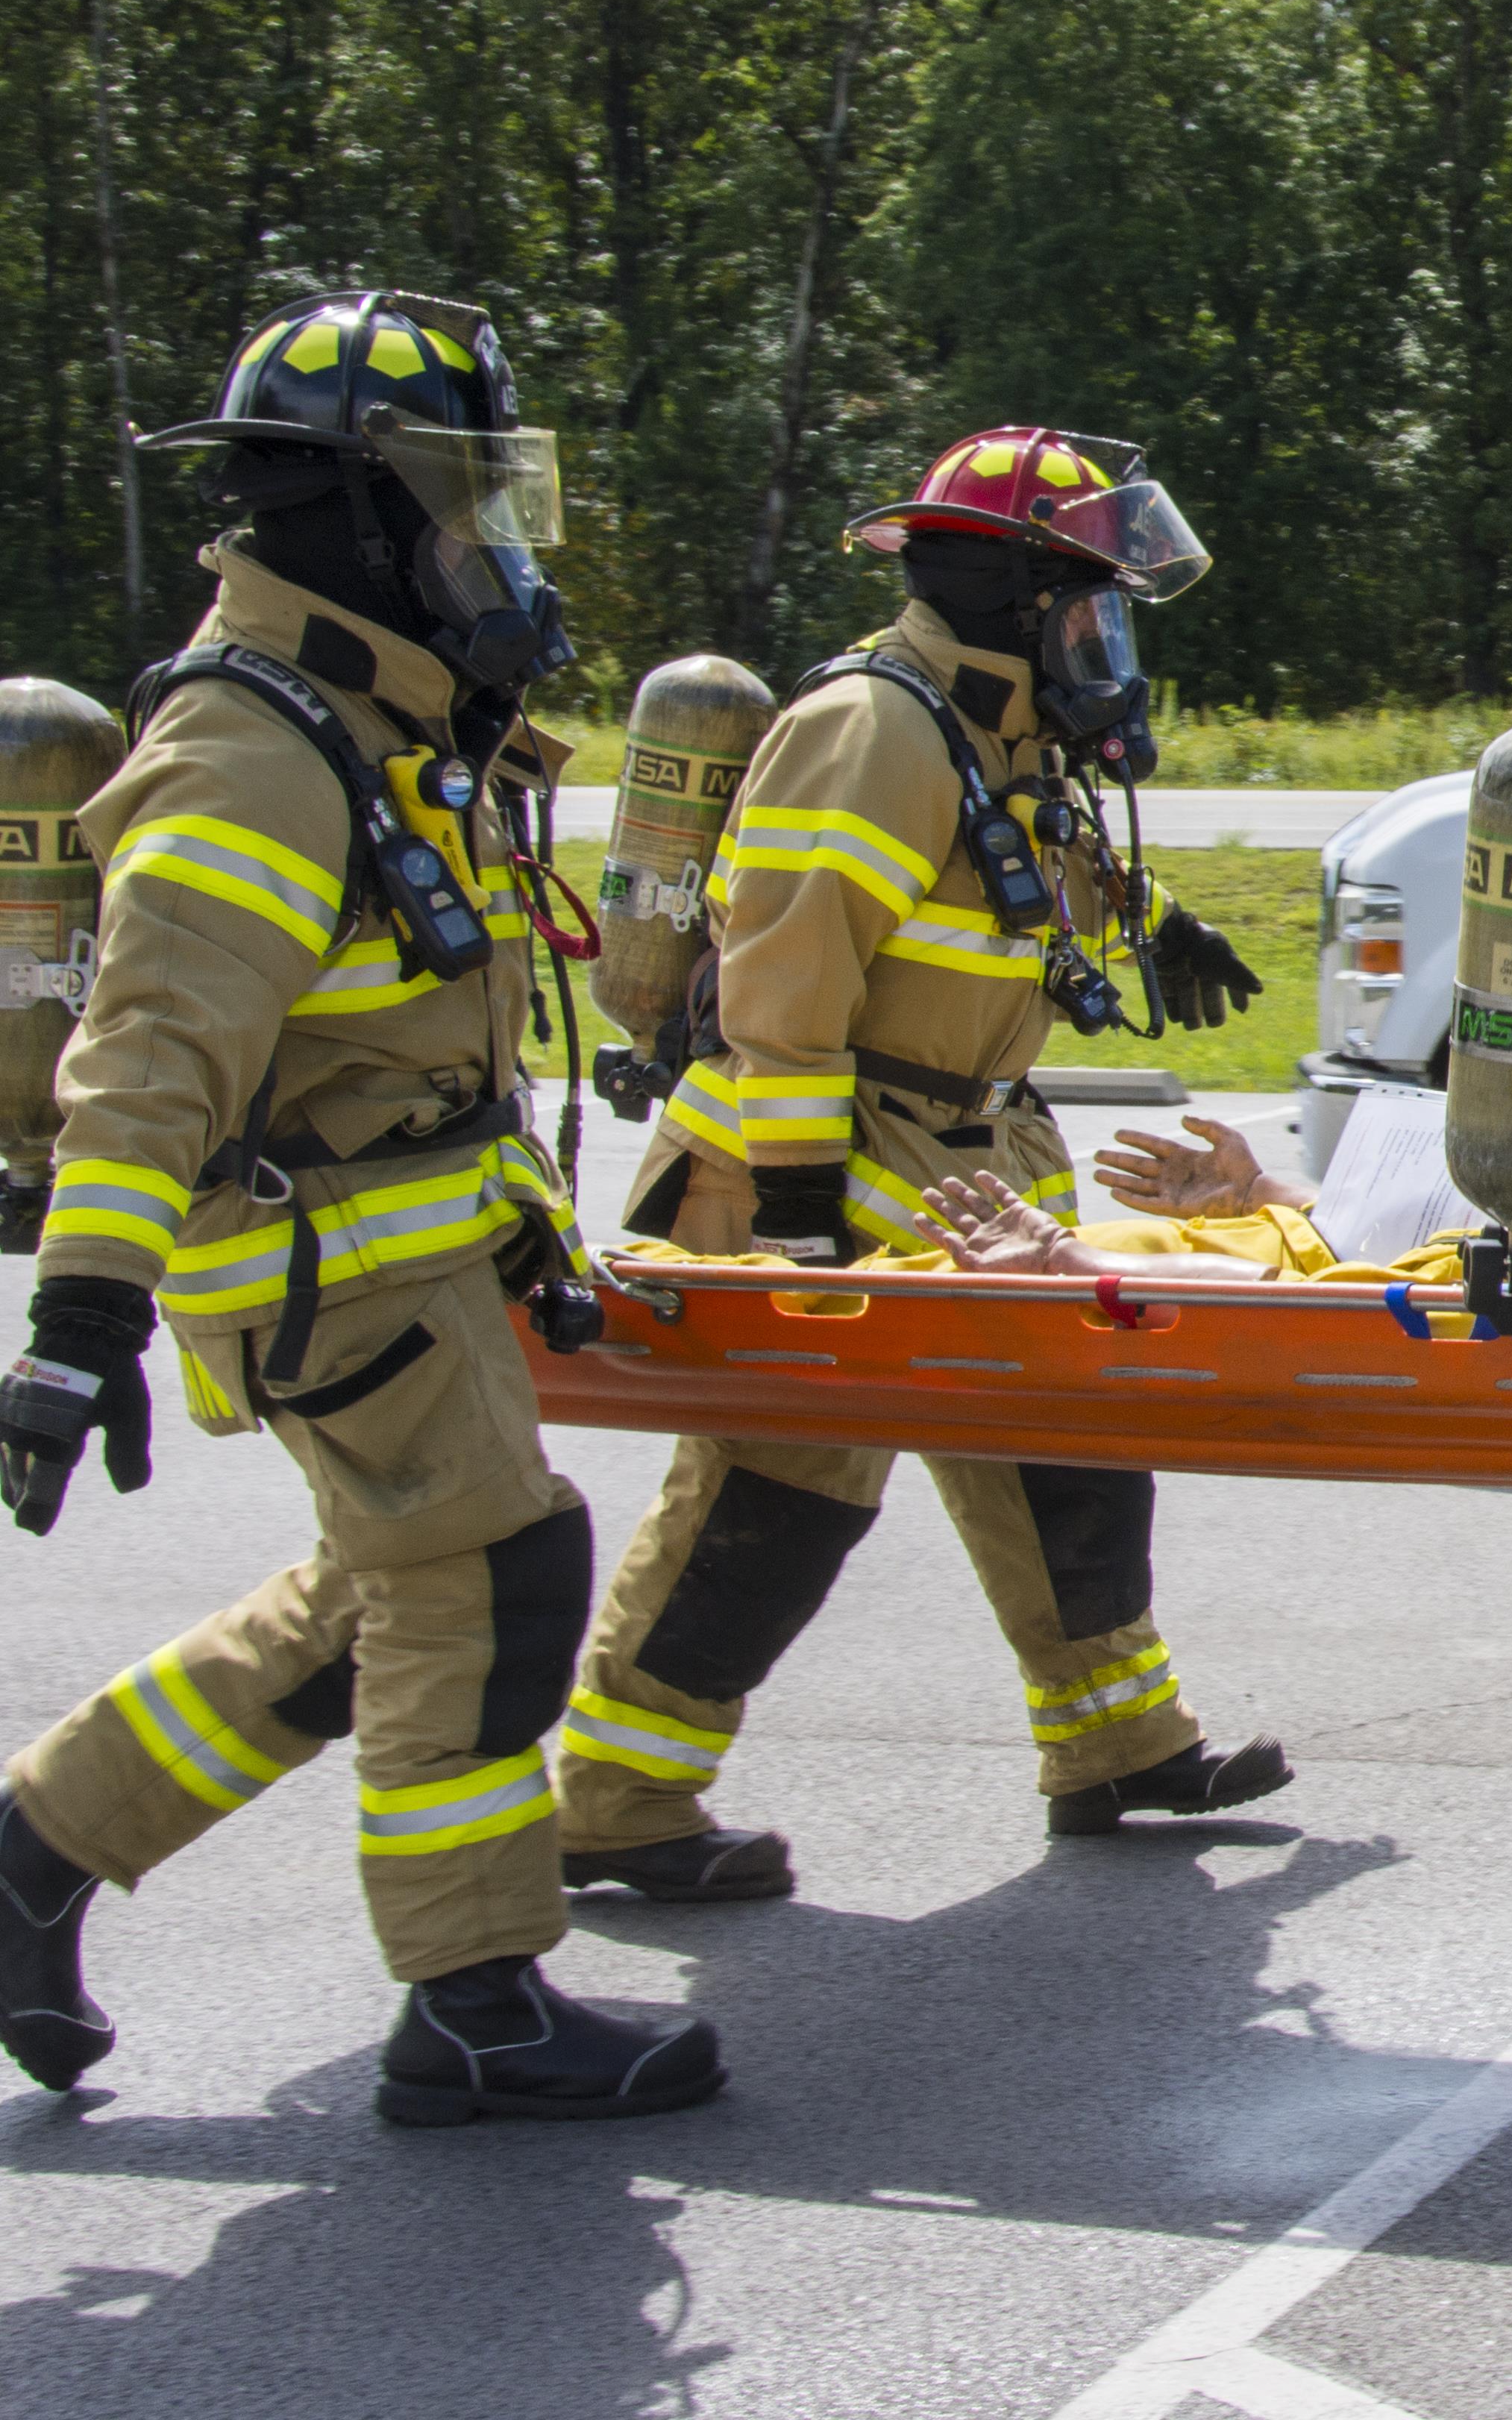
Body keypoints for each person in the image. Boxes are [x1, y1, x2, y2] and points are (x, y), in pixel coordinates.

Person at [0, 290, 721, 2120]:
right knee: (489, 1572)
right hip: (336, 1282)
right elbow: (150, 1051)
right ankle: (473, 1996)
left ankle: (26, 1856)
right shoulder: (250, 747)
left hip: (398, 1268)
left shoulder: (358, 713)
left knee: (374, 1597)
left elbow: (406, 1036)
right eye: (457, 498)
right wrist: (79, 1322)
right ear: (356, 511)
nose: (486, 541)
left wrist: (532, 1235)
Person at [547, 430, 1284, 1905]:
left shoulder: (989, 723)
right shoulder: (873, 724)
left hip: (975, 1147)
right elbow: (780, 982)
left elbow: (1022, 863)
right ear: (1013, 590)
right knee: (779, 1495)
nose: (1104, 637)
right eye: (1089, 604)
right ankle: (620, 1797)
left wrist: (1155, 920)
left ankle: (1119, 1742)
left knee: (1066, 1443)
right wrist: (804, 1215)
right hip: (828, 1151)